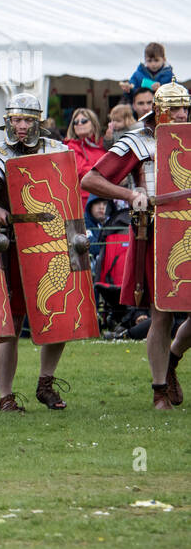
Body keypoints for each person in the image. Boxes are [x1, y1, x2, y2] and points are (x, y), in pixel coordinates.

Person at [82, 81, 191, 410]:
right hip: (159, 234)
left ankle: (172, 358)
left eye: (185, 107)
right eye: (175, 108)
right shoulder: (140, 141)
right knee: (161, 315)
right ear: (159, 110)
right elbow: (91, 179)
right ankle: (159, 390)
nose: (183, 113)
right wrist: (133, 195)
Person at [0, 93, 73, 412]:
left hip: (51, 243)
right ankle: (6, 395)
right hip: (12, 244)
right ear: (8, 122)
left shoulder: (58, 151)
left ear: (39, 123)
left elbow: (68, 195)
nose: (21, 127)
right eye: (16, 121)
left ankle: (45, 383)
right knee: (13, 320)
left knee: (56, 312)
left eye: (27, 121)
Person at [65, 108, 106, 179]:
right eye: (75, 122)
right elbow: (82, 171)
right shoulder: (70, 147)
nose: (79, 124)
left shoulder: (104, 143)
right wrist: (107, 173)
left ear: (93, 124)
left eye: (84, 121)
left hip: (107, 188)